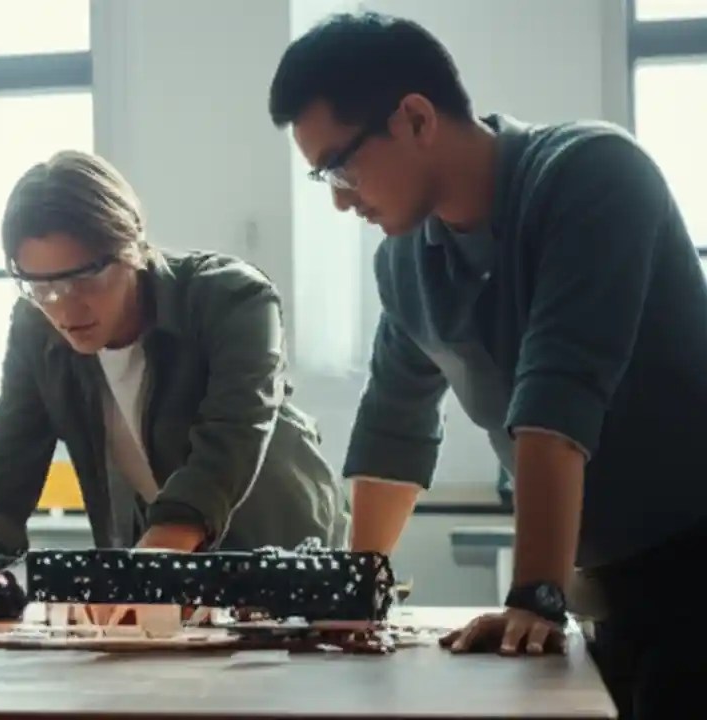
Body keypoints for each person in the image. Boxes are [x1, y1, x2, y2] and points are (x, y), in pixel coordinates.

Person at [268, 11, 707, 719]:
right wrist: (357, 595)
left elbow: (559, 396)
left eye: (340, 166)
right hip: (608, 586)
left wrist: (534, 592)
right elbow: (393, 428)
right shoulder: (406, 261)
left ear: (414, 118)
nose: (341, 199)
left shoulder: (592, 173)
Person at [0, 150, 346, 567]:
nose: (65, 311)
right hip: (158, 555)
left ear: (133, 247)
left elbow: (232, 435)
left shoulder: (232, 298)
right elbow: (10, 460)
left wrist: (141, 571)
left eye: (86, 279)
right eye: (41, 287)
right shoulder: (36, 327)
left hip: (279, 548)